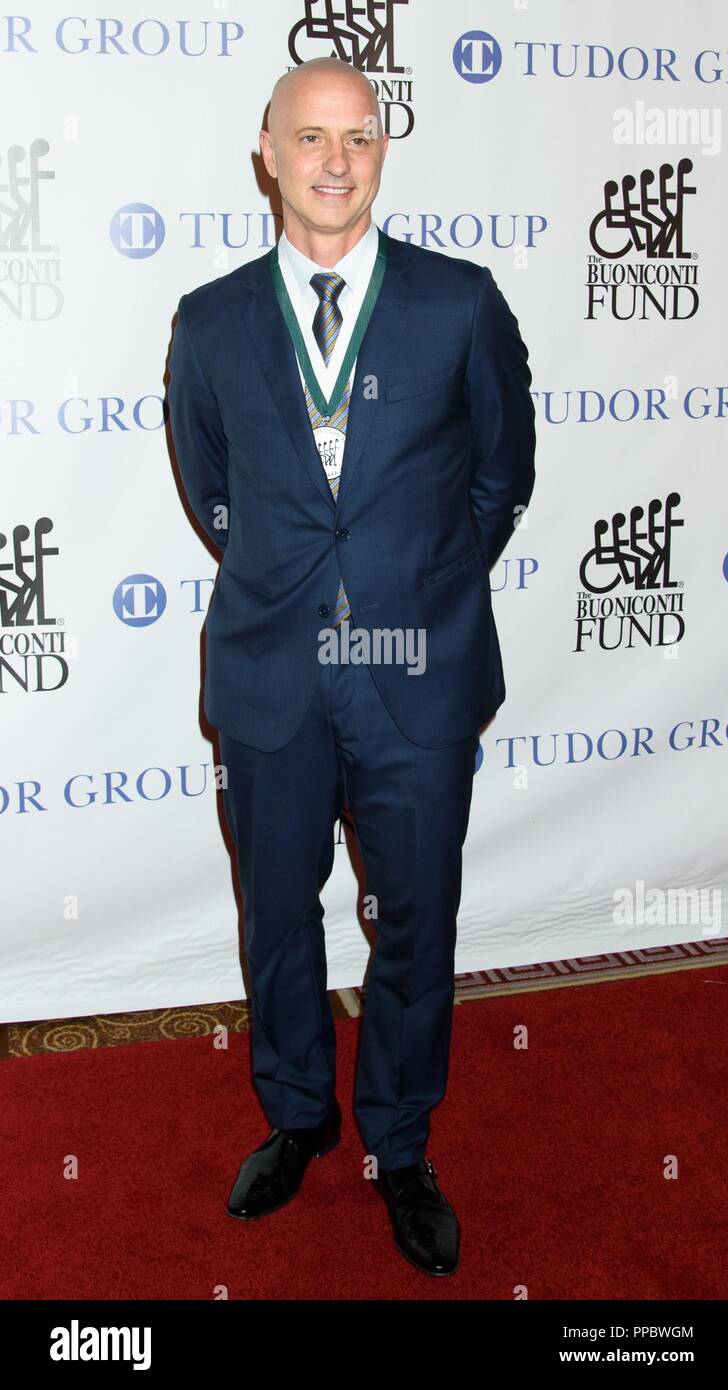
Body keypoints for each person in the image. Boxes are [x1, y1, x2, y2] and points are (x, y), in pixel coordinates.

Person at [167, 55, 536, 1277]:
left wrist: (420, 581)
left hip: (416, 676)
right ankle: (296, 1114)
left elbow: (502, 473)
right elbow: (214, 487)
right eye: (310, 136)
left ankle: (401, 1141)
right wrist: (296, 583)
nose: (336, 159)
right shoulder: (210, 321)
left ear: (383, 154)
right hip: (272, 671)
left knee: (415, 921)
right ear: (266, 153)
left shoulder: (459, 303)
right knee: (278, 916)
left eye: (360, 137)